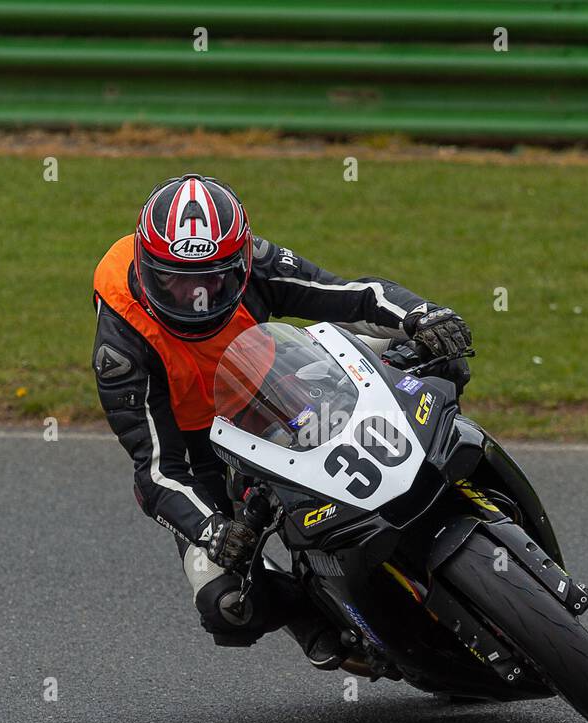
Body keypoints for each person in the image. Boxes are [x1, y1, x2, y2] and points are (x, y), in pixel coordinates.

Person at [91, 173, 471, 667]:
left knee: (436, 357)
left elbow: (350, 295)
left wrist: (420, 315)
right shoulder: (119, 345)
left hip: (275, 387)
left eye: (212, 278)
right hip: (196, 447)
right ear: (146, 269)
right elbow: (157, 471)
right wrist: (212, 530)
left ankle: (463, 485)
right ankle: (314, 611)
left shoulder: (258, 262)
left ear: (241, 262)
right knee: (227, 603)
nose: (196, 297)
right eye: (176, 281)